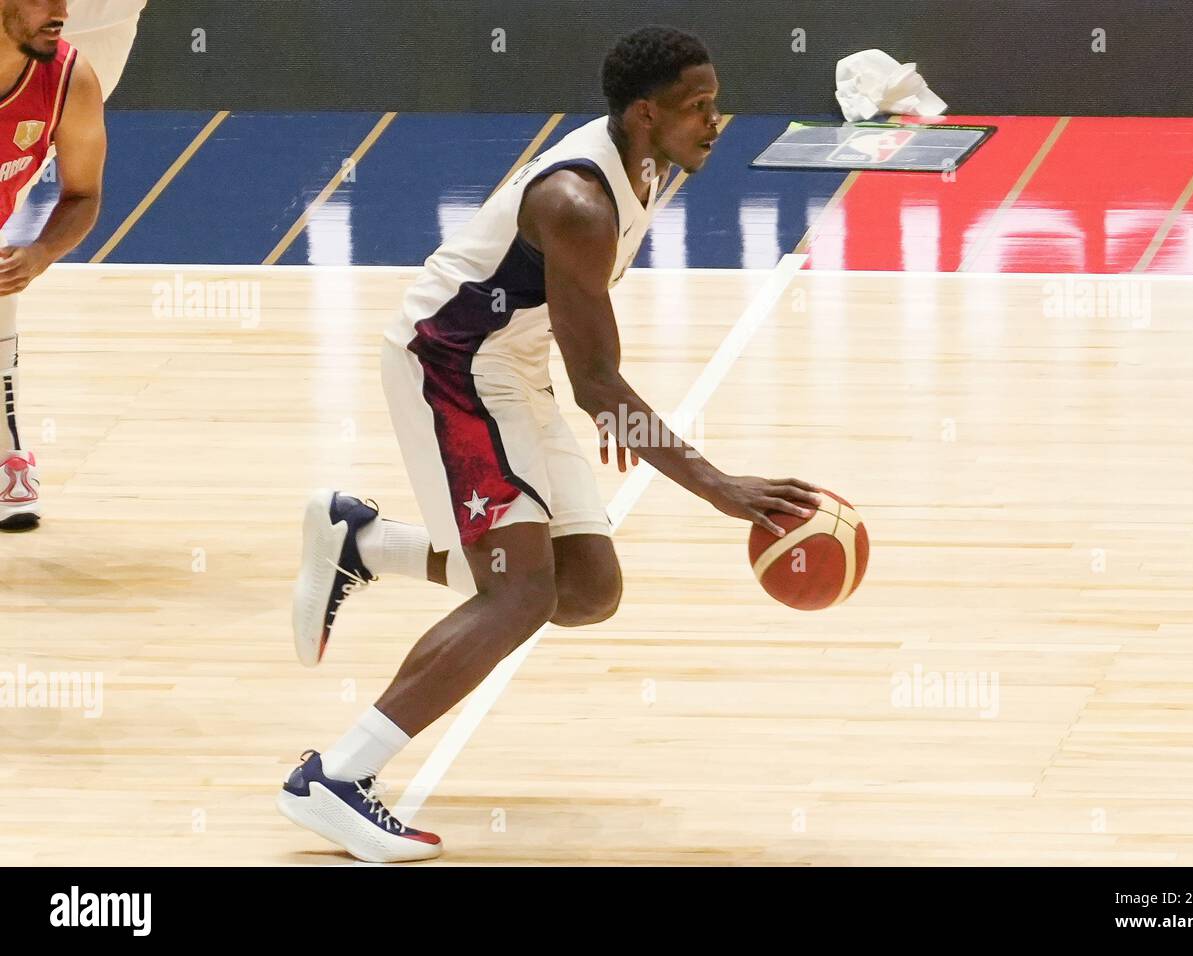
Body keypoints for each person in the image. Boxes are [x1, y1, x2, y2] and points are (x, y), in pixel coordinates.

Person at [278, 25, 822, 863]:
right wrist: (719, 485)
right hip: (448, 365)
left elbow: (590, 362)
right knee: (519, 594)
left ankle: (364, 543)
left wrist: (611, 405)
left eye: (715, 103)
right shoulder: (579, 201)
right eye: (698, 108)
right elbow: (595, 383)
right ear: (645, 114)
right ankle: (337, 778)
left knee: (587, 587)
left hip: (512, 366)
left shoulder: (641, 167)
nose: (716, 122)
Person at [0, 0, 140, 529]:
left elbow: (82, 194)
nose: (61, 10)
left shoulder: (70, 78)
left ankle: (7, 456)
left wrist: (38, 254)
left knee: (4, 280)